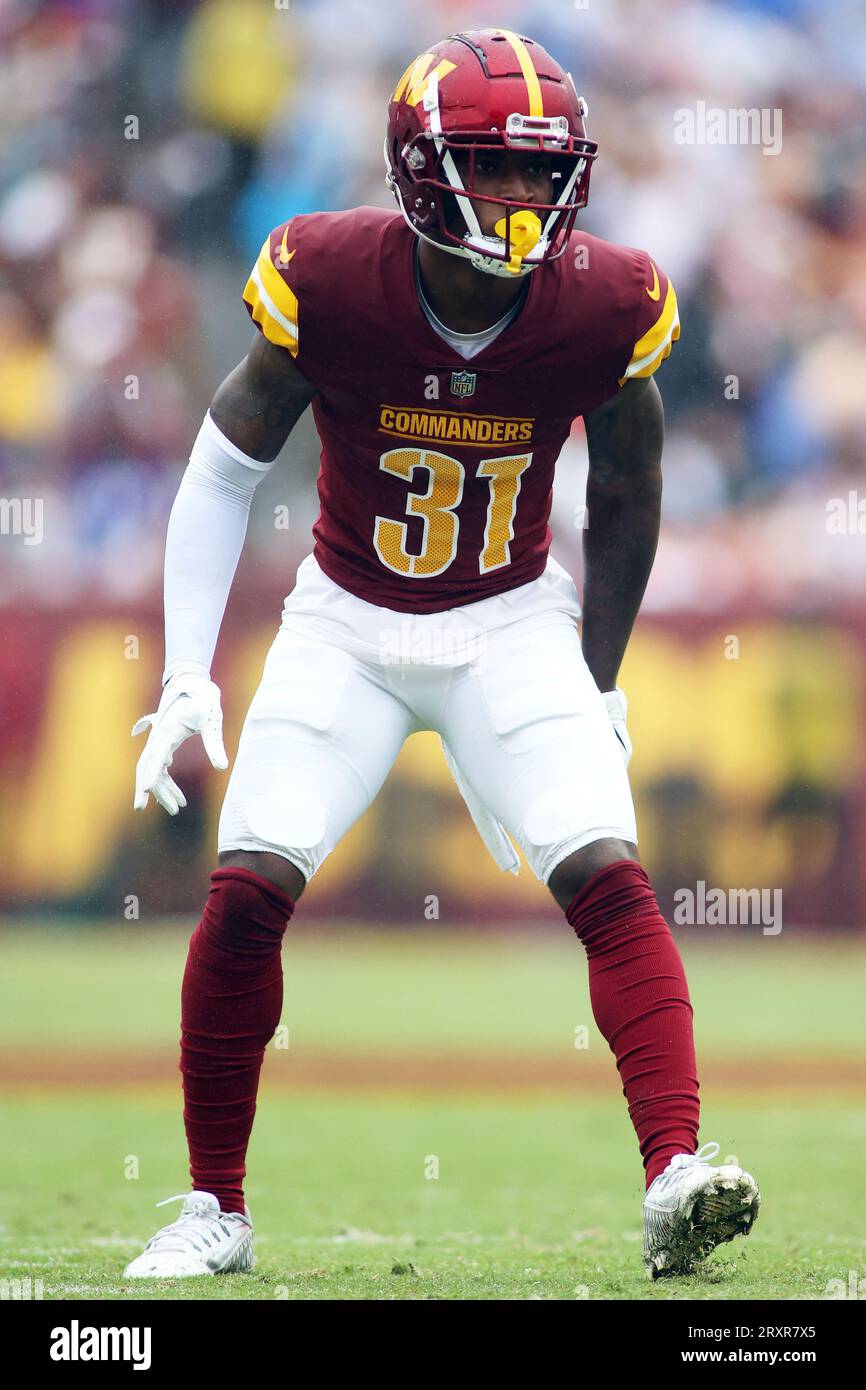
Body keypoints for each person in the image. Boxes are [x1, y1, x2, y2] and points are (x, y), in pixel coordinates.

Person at [125, 28, 760, 1282]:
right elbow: (221, 466)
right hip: (345, 622)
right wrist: (185, 670)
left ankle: (673, 1168)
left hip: (508, 620)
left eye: (544, 171)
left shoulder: (603, 298)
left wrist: (598, 673)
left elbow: (627, 484)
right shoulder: (332, 273)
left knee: (608, 875)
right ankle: (215, 1208)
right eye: (495, 168)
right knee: (245, 891)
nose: (528, 197)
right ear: (421, 168)